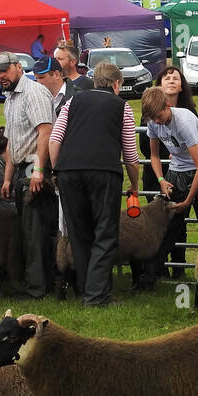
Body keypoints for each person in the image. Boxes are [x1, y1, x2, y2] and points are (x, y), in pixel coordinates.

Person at [50, 62, 139, 307]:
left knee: (79, 233)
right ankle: (97, 296)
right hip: (104, 172)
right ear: (116, 84)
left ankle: (86, 288)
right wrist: (134, 183)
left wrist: (57, 169)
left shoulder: (72, 102)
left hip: (69, 172)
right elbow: (130, 153)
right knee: (105, 232)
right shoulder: (122, 107)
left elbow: (55, 139)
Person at [0, 51, 56, 298]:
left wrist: (39, 170)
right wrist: (8, 177)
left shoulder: (34, 92)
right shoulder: (10, 98)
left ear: (18, 67)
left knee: (35, 230)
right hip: (21, 167)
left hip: (34, 167)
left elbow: (46, 132)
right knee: (29, 228)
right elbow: (11, 143)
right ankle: (39, 284)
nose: (1, 77)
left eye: (4, 71)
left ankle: (37, 288)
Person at [143, 85, 198, 286]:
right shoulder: (153, 123)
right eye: (153, 119)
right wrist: (161, 179)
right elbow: (154, 155)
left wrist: (188, 200)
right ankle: (150, 278)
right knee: (166, 227)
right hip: (176, 171)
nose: (157, 122)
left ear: (167, 106)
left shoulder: (184, 123)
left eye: (159, 116)